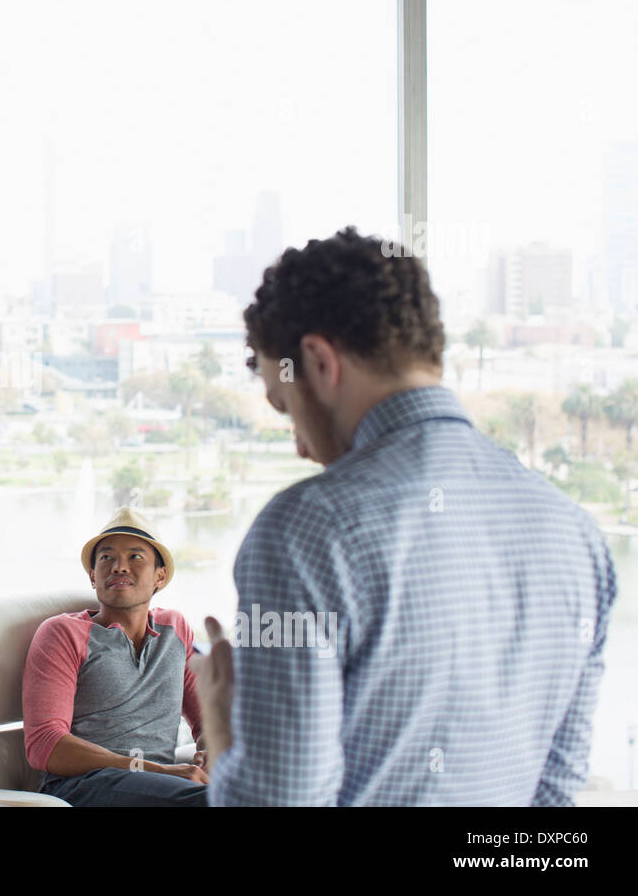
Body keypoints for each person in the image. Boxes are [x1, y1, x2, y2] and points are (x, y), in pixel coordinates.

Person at [191, 226, 617, 806]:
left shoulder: (306, 531)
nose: (300, 447)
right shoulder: (577, 534)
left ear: (318, 361)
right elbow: (555, 802)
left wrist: (222, 725)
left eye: (285, 406)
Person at [22, 507, 209, 806]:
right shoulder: (62, 633)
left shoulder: (176, 628)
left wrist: (212, 752)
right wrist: (158, 770)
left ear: (160, 576)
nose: (119, 567)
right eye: (106, 558)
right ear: (93, 576)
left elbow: (207, 718)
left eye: (135, 557)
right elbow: (46, 745)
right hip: (81, 786)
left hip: (162, 787)